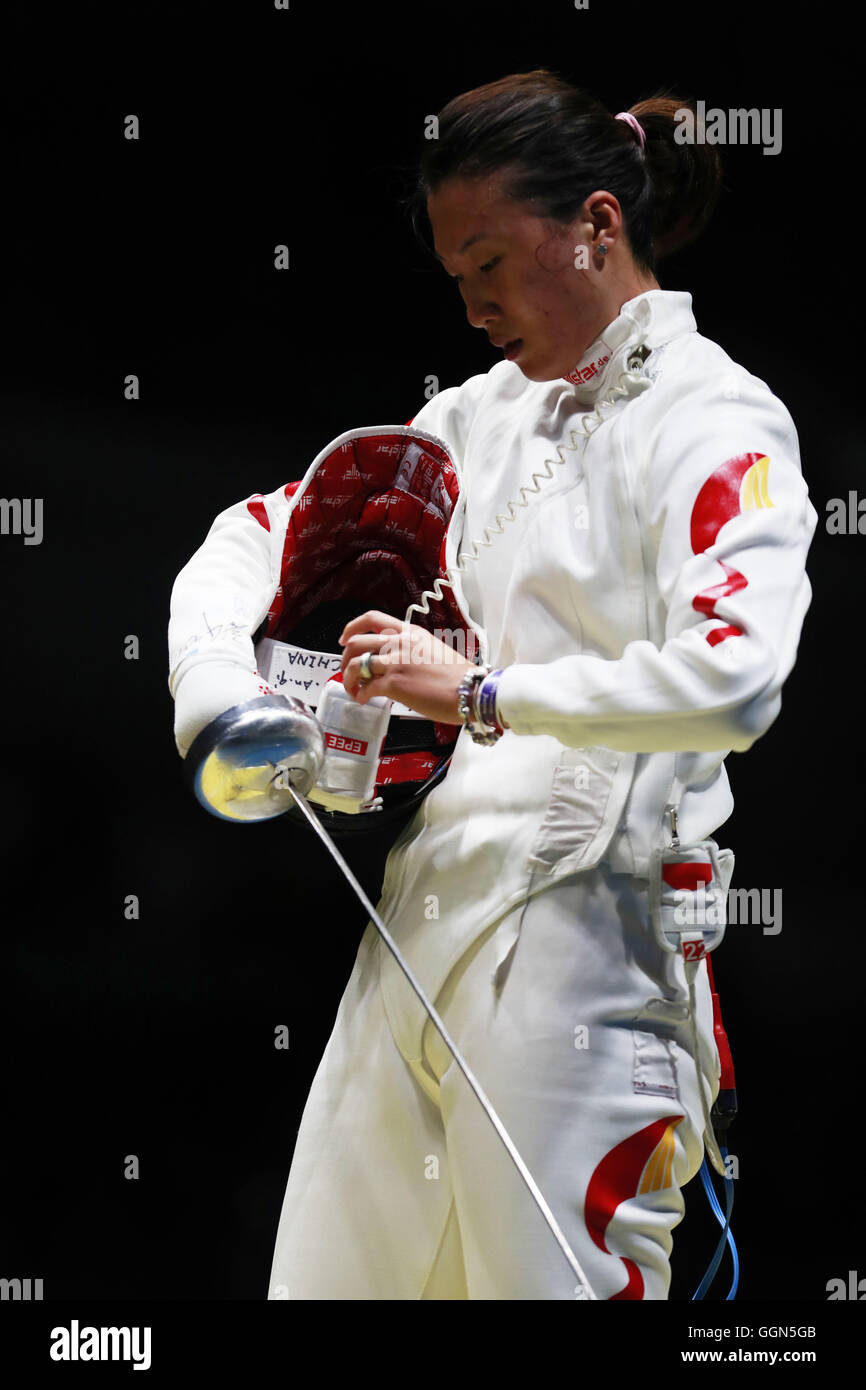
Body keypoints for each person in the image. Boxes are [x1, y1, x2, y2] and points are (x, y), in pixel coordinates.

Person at [169, 70, 817, 1299]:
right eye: (454, 277)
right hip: (414, 928)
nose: (471, 307)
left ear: (594, 226)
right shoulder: (476, 419)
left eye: (488, 265)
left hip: (590, 946)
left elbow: (734, 678)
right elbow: (252, 532)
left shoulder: (717, 416)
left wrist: (479, 694)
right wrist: (227, 701)